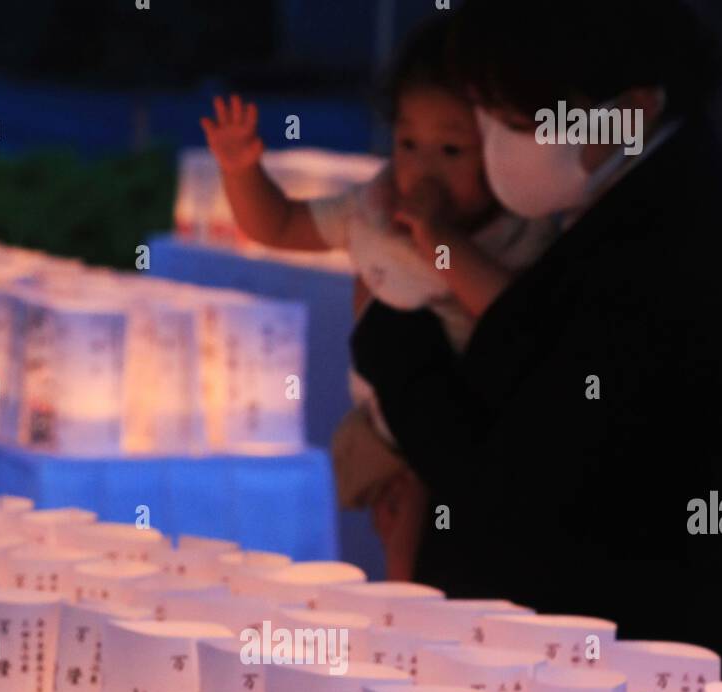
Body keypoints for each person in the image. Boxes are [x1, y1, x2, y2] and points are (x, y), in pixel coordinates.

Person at [351, 0, 722, 678]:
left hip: (614, 648)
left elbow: (519, 469)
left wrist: (390, 328)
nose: (499, 144)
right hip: (595, 634)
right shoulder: (647, 192)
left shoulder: (669, 236)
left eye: (519, 122)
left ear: (634, 108)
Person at [201, 14, 556, 580]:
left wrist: (441, 240)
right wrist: (243, 170)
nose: (422, 169)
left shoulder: (524, 229)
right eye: (407, 143)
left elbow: (512, 317)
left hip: (477, 440)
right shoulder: (375, 209)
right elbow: (282, 224)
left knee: (429, 543)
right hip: (383, 427)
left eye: (451, 150)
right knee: (398, 527)